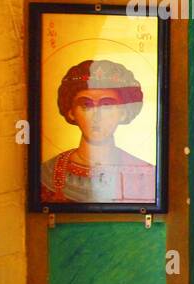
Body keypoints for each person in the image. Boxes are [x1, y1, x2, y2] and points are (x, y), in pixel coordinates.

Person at [41, 59, 155, 204]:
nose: (97, 116)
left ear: (123, 113)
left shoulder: (145, 174)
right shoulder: (48, 173)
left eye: (107, 105)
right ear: (71, 112)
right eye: (86, 106)